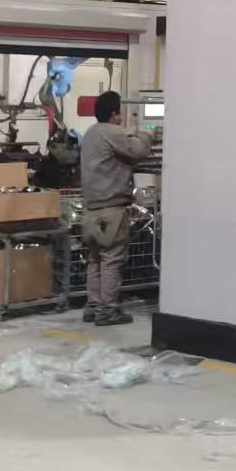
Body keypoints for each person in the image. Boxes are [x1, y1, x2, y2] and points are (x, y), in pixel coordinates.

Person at [79, 90, 154, 326]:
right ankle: (107, 312)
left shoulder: (90, 134)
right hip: (110, 211)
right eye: (120, 113)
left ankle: (93, 306)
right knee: (112, 260)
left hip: (91, 211)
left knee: (95, 260)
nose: (121, 117)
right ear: (114, 114)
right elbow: (138, 151)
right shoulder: (112, 131)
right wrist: (148, 132)